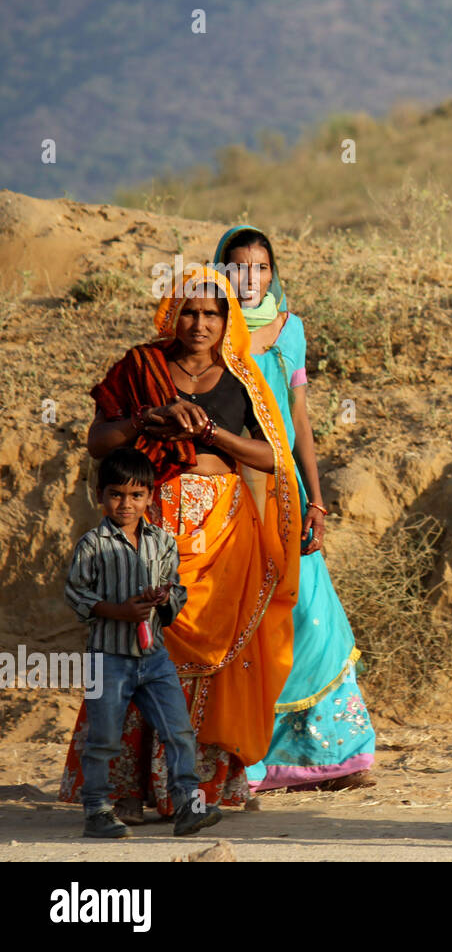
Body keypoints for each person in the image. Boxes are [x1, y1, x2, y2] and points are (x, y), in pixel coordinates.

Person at [59, 265, 300, 819]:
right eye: (189, 311)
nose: (199, 323)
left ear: (227, 320)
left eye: (212, 314)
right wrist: (149, 417)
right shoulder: (140, 367)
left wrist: (209, 433)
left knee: (213, 657)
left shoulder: (242, 381)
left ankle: (198, 790)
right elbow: (99, 442)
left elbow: (270, 457)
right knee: (138, 642)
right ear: (171, 313)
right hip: (151, 523)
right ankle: (130, 789)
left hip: (224, 530)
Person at [213, 225, 376, 793]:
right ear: (222, 271)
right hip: (236, 492)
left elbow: (298, 417)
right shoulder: (212, 331)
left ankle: (334, 755)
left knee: (313, 613)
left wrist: (317, 495)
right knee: (251, 616)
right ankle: (252, 758)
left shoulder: (292, 329)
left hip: (289, 489)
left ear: (272, 272)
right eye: (237, 267)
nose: (250, 278)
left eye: (260, 267)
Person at [64, 447, 222, 839]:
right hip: (109, 658)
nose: (126, 504)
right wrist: (118, 611)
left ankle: (189, 803)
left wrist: (165, 599)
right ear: (101, 496)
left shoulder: (162, 542)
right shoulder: (93, 544)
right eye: (116, 494)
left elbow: (177, 591)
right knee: (103, 738)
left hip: (154, 657)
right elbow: (75, 594)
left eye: (136, 495)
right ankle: (97, 811)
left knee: (179, 730)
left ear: (150, 497)